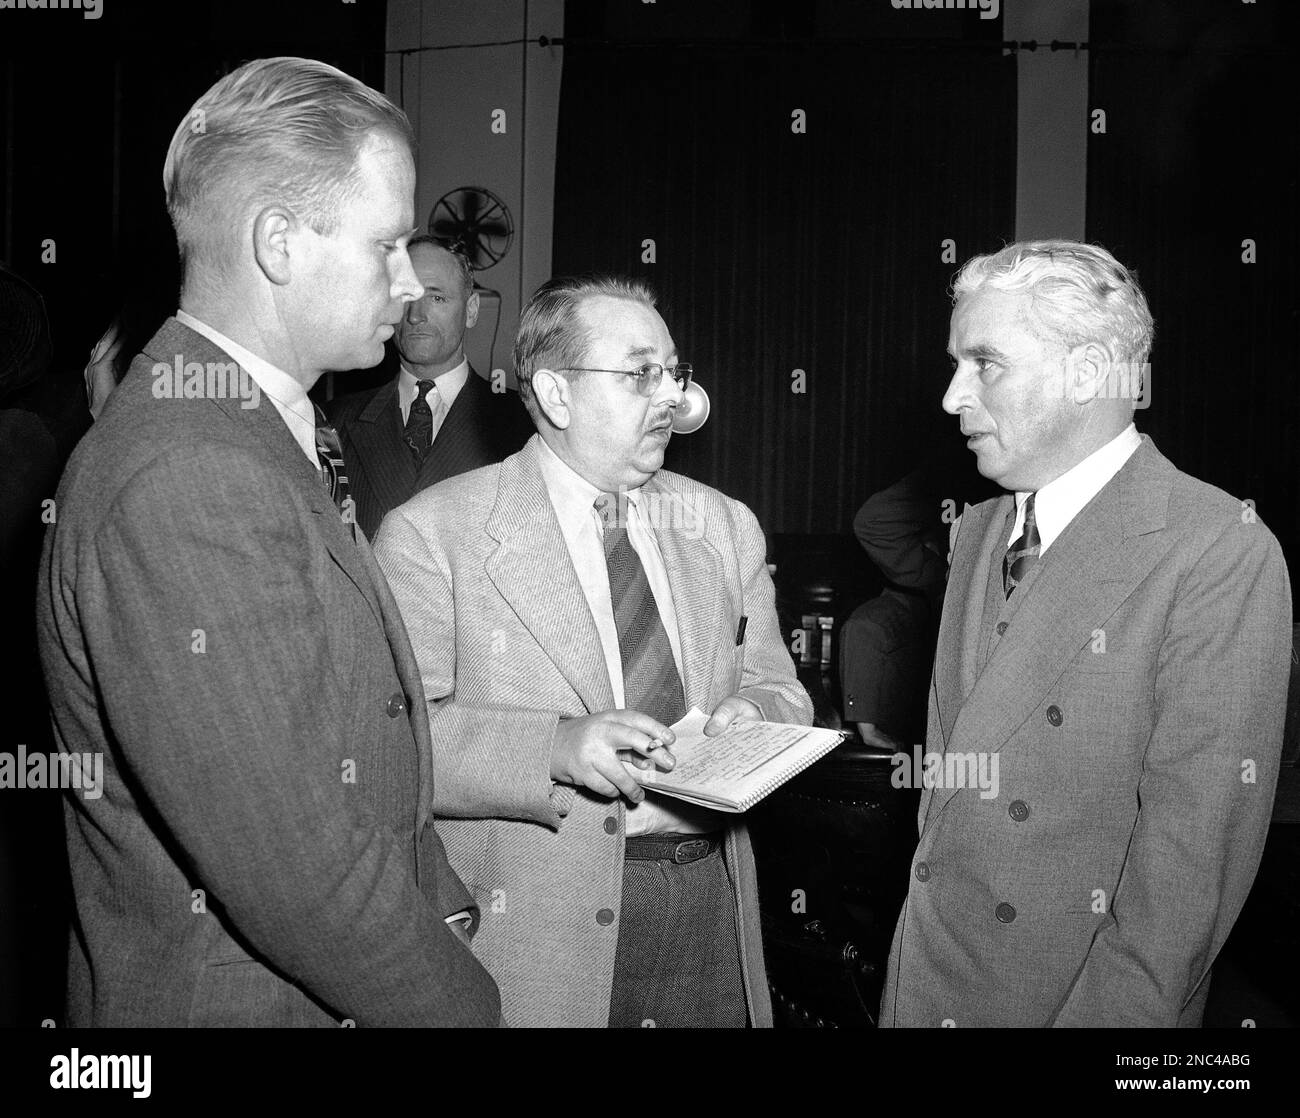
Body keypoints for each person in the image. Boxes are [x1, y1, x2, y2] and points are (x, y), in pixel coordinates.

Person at [36, 56, 500, 1027]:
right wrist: (468, 1008)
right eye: (386, 245)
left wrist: (440, 901)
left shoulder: (251, 426)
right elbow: (295, 864)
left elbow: (352, 725)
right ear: (278, 243)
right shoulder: (188, 468)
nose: (411, 282)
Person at [374, 276, 812, 1027]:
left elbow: (781, 686)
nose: (672, 396)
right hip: (538, 935)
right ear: (554, 392)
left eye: (676, 372)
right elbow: (393, 746)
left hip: (711, 911)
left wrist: (759, 710)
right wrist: (553, 746)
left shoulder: (725, 525)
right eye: (642, 373)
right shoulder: (431, 535)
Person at [879, 240, 1292, 1027]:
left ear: (1088, 371)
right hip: (929, 982)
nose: (951, 396)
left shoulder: (1217, 547)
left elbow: (1189, 873)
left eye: (984, 363)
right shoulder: (975, 532)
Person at [327, 235, 532, 539]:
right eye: (405, 297)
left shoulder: (524, 423)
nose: (415, 316)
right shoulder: (332, 424)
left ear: (472, 310)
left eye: (436, 298)